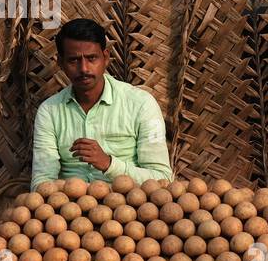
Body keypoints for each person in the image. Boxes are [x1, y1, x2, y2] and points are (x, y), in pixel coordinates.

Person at [30, 18, 172, 190]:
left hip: (130, 209)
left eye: (91, 58)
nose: (84, 69)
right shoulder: (49, 112)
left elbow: (163, 179)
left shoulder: (141, 104)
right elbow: (42, 182)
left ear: (105, 58)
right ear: (61, 63)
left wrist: (109, 164)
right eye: (73, 60)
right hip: (68, 208)